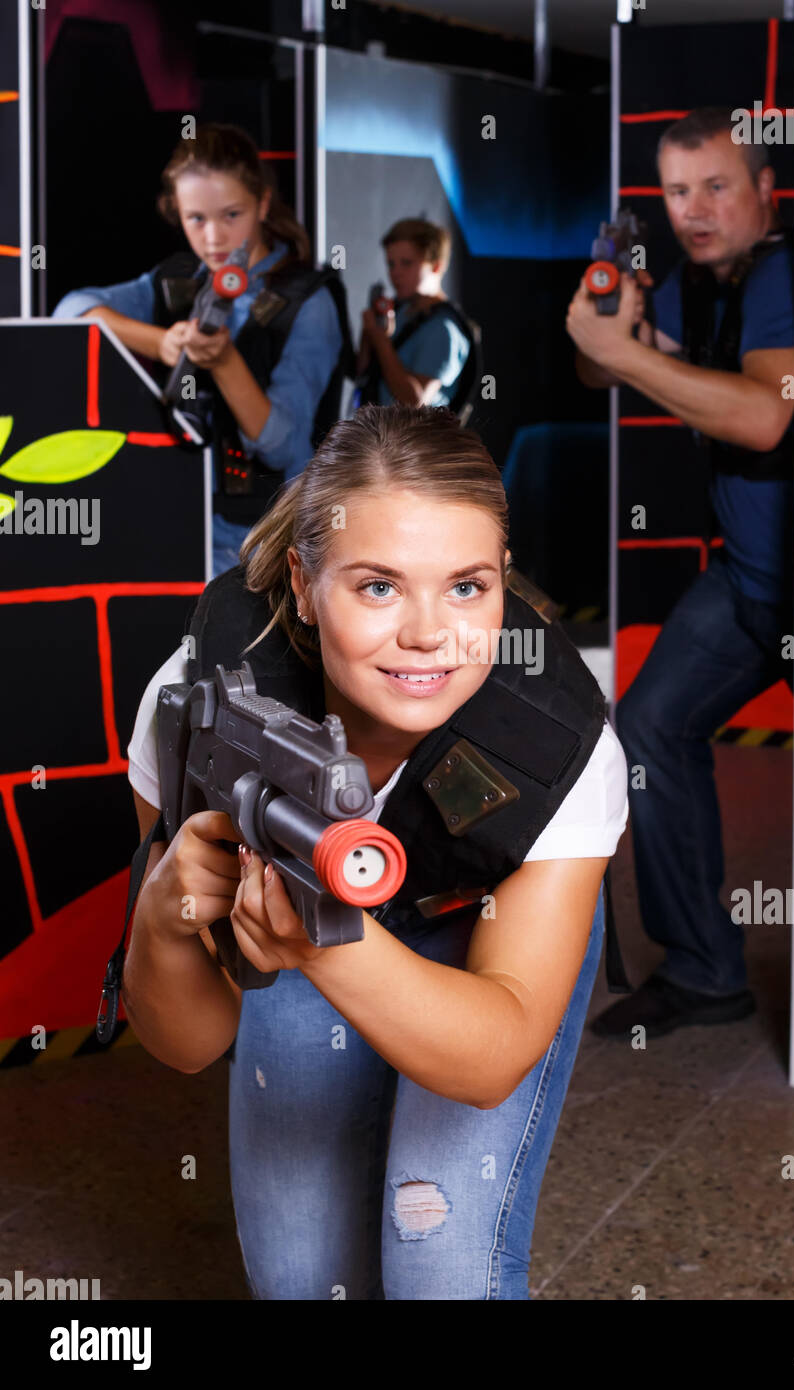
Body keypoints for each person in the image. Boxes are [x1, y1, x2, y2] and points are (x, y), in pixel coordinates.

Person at [119, 403, 628, 1300]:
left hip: (482, 930)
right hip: (298, 936)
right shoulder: (196, 695)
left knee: (436, 1263)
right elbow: (188, 1042)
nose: (431, 634)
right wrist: (162, 923)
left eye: (467, 586)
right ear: (305, 585)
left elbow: (492, 1055)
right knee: (302, 1281)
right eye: (379, 586)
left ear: (504, 582)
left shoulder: (561, 746)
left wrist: (320, 942)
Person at [565, 106, 794, 1039]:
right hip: (750, 581)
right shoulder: (713, 278)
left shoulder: (780, 272)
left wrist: (620, 352)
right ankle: (705, 971)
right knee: (653, 727)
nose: (694, 209)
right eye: (676, 191)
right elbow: (606, 375)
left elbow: (762, 417)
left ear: (765, 192)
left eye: (716, 186)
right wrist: (618, 339)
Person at [51, 123, 345, 577]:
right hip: (179, 523)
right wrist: (163, 343)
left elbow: (284, 447)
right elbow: (71, 310)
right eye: (196, 219)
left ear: (262, 203)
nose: (214, 238)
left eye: (231, 215)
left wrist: (225, 363)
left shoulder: (307, 303)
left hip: (268, 544)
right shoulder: (183, 278)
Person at [353, 218, 472, 412]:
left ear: (436, 266)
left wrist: (381, 341)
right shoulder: (401, 312)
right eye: (391, 264)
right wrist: (369, 335)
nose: (395, 273)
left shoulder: (444, 329)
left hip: (412, 441)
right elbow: (361, 372)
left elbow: (414, 402)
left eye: (407, 263)